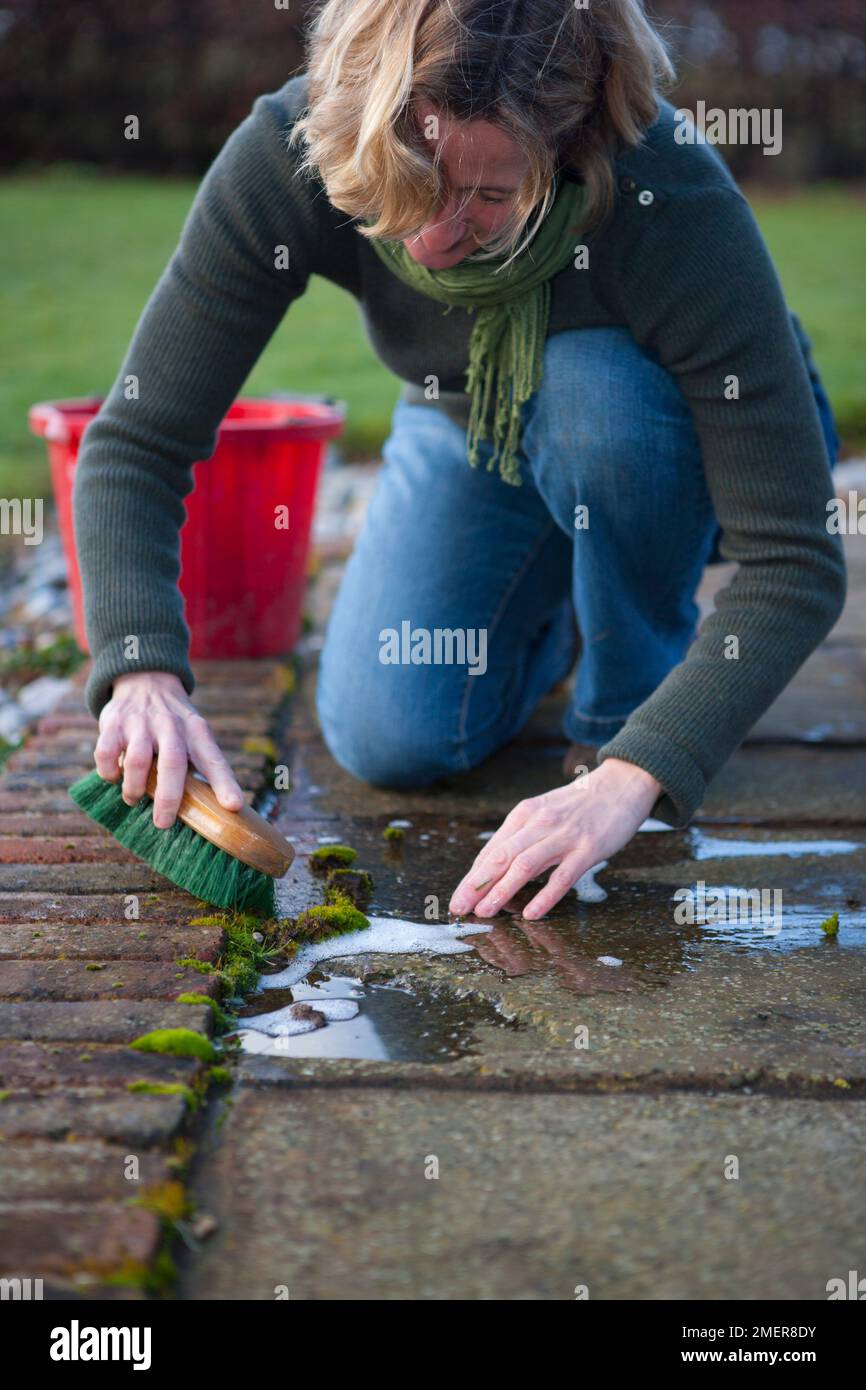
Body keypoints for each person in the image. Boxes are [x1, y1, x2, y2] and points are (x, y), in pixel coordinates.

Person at [73, 0, 846, 923]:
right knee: (392, 736)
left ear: (570, 149)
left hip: (657, 436)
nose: (437, 239)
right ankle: (553, 614)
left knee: (591, 396)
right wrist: (140, 669)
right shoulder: (297, 147)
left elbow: (794, 559)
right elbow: (134, 441)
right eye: (412, 188)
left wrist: (631, 777)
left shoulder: (664, 192)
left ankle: (625, 703)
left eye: (489, 198)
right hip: (464, 413)